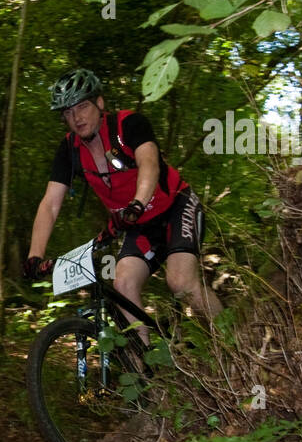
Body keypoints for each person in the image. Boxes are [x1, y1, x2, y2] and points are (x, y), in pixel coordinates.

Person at [24, 68, 222, 337]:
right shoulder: (69, 151)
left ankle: (231, 341)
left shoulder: (128, 125)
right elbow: (50, 203)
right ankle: (145, 370)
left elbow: (149, 163)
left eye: (82, 106)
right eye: (68, 112)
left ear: (100, 103)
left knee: (180, 282)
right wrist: (35, 256)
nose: (76, 117)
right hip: (139, 225)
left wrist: (138, 202)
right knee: (123, 285)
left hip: (177, 206)